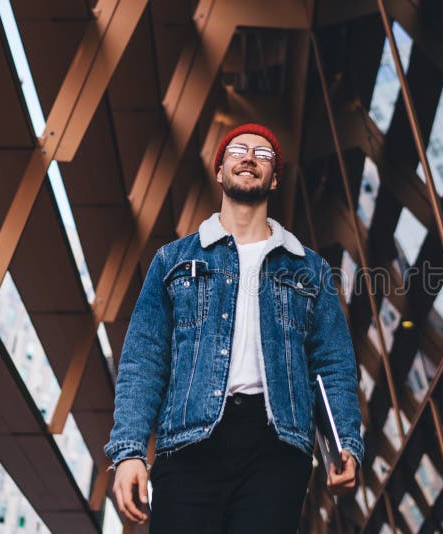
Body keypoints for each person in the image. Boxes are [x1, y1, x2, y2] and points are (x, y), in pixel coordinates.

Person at [104, 123, 364, 533]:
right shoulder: (172, 261)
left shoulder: (308, 268)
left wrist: (344, 443)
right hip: (189, 443)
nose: (249, 158)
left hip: (276, 448)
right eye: (238, 150)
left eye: (263, 155)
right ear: (220, 170)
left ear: (274, 178)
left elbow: (333, 364)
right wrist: (129, 452)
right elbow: (143, 359)